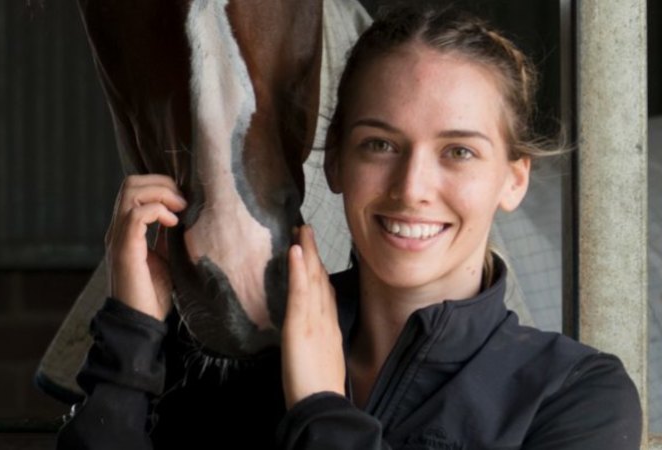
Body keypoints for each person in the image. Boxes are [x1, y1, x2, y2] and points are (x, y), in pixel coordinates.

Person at [57, 4, 642, 449]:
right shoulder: (234, 359)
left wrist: (317, 406)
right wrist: (130, 337)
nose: (412, 187)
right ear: (334, 161)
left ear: (513, 181)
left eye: (458, 152)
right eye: (380, 144)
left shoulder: (577, 396)